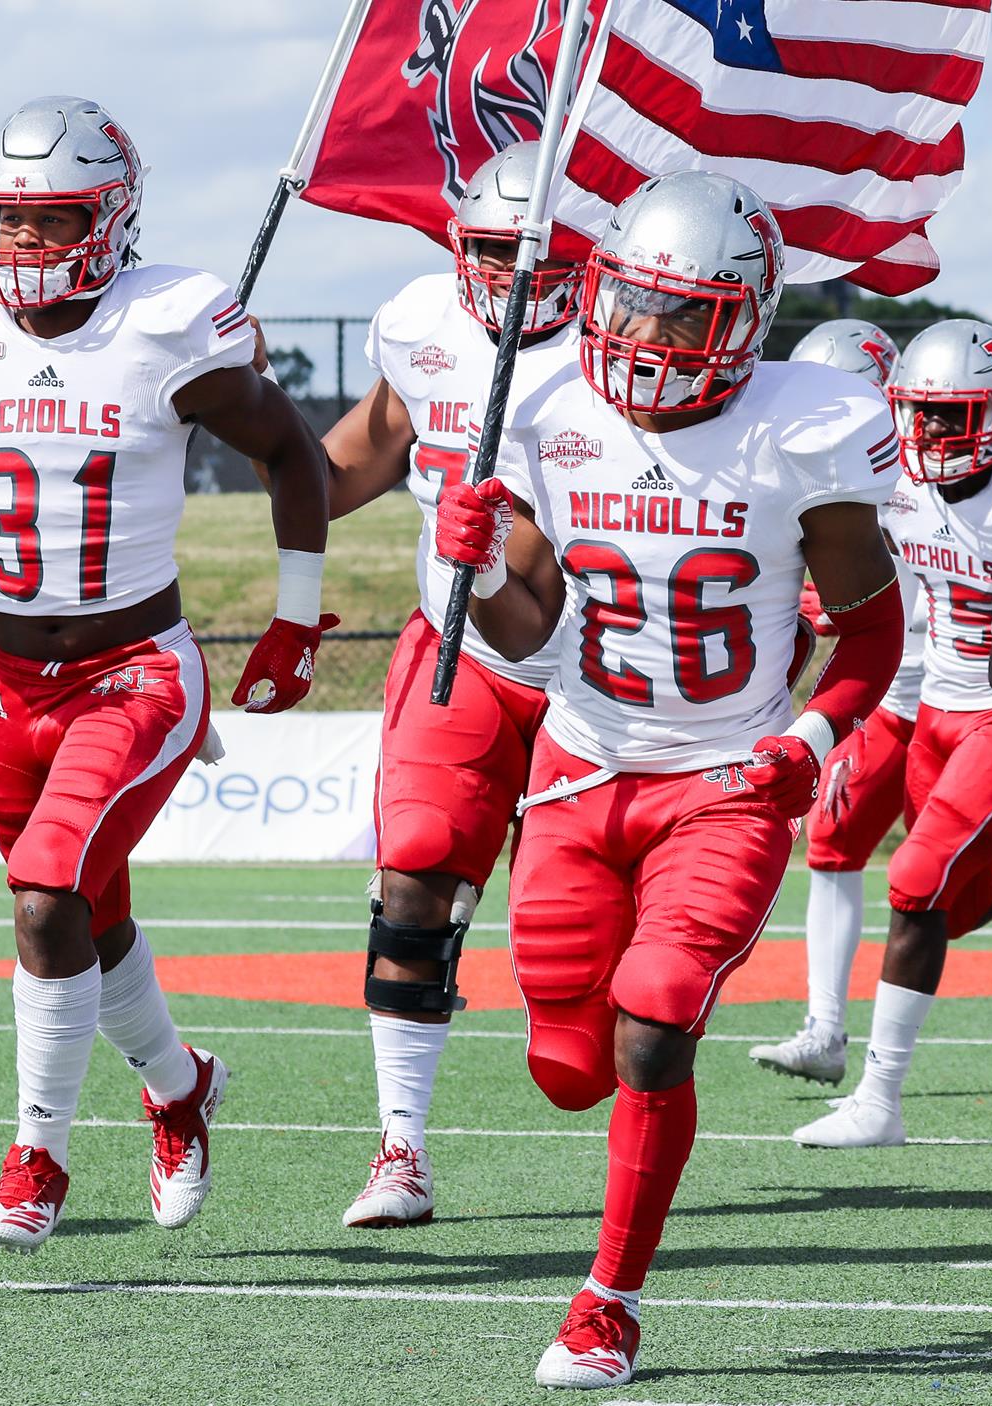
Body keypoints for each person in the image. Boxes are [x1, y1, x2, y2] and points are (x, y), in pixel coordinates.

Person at [432, 170, 906, 1391]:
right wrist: (478, 569)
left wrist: (809, 739)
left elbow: (868, 632)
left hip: (724, 775)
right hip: (582, 765)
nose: (643, 341)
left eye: (680, 315)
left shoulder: (805, 429)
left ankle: (608, 1302)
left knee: (652, 1022)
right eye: (630, 305)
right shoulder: (546, 407)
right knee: (566, 1069)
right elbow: (532, 634)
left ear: (745, 321)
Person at [0, 96, 333, 1252]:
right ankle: (180, 1085)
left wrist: (296, 621)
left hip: (136, 673)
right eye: (8, 223)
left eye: (51, 220)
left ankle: (38, 1157)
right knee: (87, 916)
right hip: (10, 682)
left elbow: (292, 453)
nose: (23, 247)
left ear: (111, 216)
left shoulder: (168, 319)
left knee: (45, 895)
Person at [310, 143, 580, 1228]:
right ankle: (400, 1146)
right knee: (415, 872)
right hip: (458, 650)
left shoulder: (631, 349)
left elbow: (547, 601)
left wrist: (491, 555)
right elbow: (341, 468)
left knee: (575, 1025)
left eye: (540, 254)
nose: (514, 277)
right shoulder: (423, 323)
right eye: (491, 250)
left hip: (600, 677)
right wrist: (224, 410)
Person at [789, 320, 992, 1147]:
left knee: (915, 883)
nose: (927, 436)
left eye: (949, 416)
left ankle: (879, 1099)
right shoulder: (895, 481)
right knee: (965, 905)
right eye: (916, 415)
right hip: (933, 714)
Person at [747, 318, 907, 1086]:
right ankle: (826, 1028)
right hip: (874, 708)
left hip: (963, 703)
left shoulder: (928, 471)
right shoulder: (788, 483)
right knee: (833, 850)